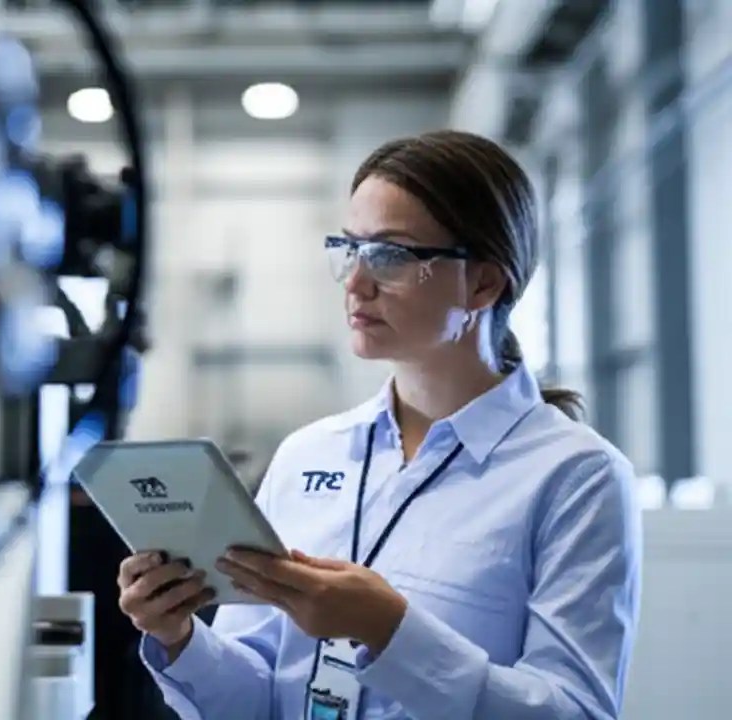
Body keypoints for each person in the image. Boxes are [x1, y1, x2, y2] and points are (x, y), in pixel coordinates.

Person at [116, 130, 642, 719]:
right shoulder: (310, 454)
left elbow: (577, 713)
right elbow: (259, 699)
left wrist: (390, 630)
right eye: (349, 248)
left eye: (391, 255)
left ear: (484, 283)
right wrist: (182, 638)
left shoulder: (574, 477)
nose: (355, 283)